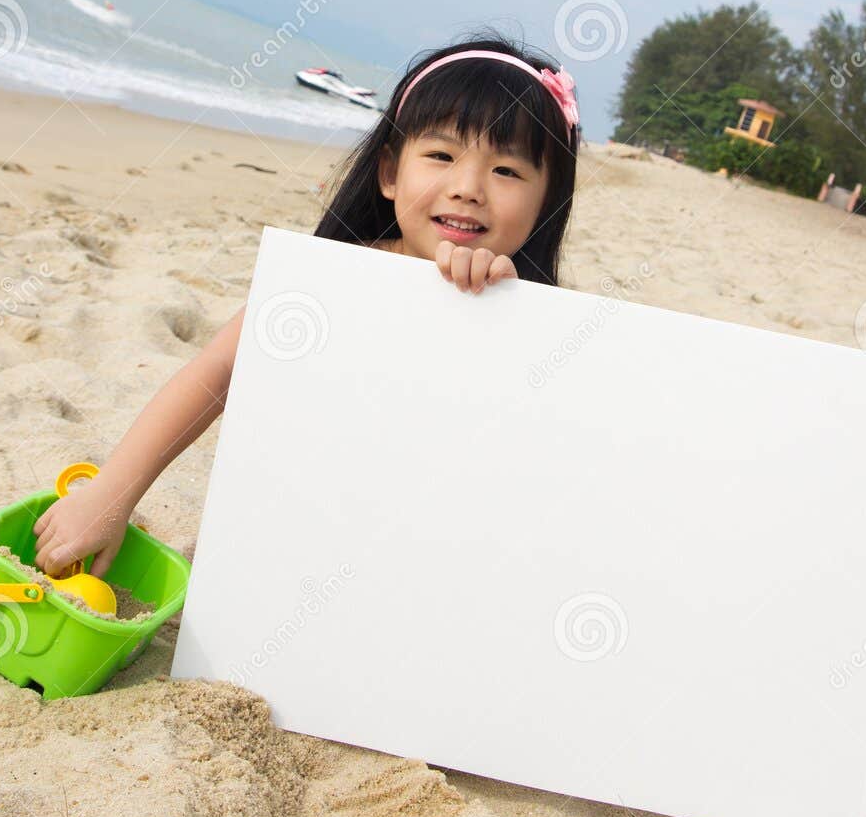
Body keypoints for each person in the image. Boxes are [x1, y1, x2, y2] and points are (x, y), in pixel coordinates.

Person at [31, 31, 581, 580]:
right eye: (440, 155)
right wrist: (109, 496)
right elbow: (218, 370)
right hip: (294, 553)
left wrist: (506, 314)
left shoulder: (537, 324)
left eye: (506, 170)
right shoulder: (326, 277)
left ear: (547, 201)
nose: (468, 187)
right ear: (390, 173)